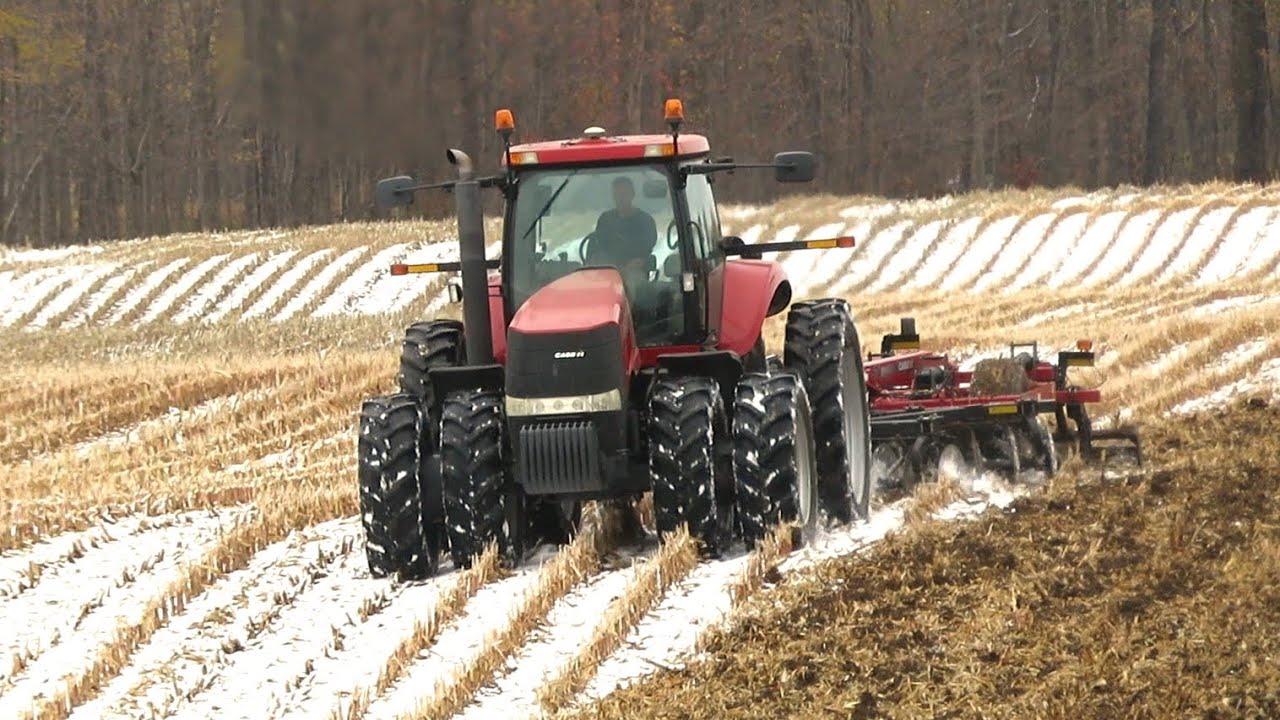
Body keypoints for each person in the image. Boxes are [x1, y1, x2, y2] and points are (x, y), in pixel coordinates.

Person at [591, 176, 657, 275]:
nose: (620, 199)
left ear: (632, 195)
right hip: (608, 271)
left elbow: (645, 252)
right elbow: (600, 247)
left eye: (623, 194)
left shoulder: (645, 221)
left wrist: (631, 266)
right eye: (617, 195)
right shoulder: (605, 220)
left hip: (636, 273)